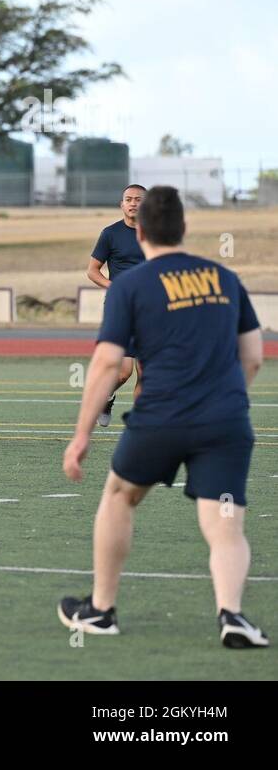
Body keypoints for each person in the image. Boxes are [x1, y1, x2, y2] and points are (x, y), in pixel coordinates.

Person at [58, 186, 267, 649]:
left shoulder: (130, 285)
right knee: (226, 521)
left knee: (118, 497)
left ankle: (102, 610)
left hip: (160, 419)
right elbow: (252, 356)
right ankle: (232, 615)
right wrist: (224, 400)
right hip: (226, 421)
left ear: (143, 231)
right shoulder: (224, 277)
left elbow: (108, 365)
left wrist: (81, 435)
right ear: (184, 230)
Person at [86, 184, 146, 426]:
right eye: (128, 199)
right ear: (122, 204)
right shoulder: (110, 233)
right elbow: (92, 271)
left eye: (138, 200)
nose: (133, 203)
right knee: (123, 372)